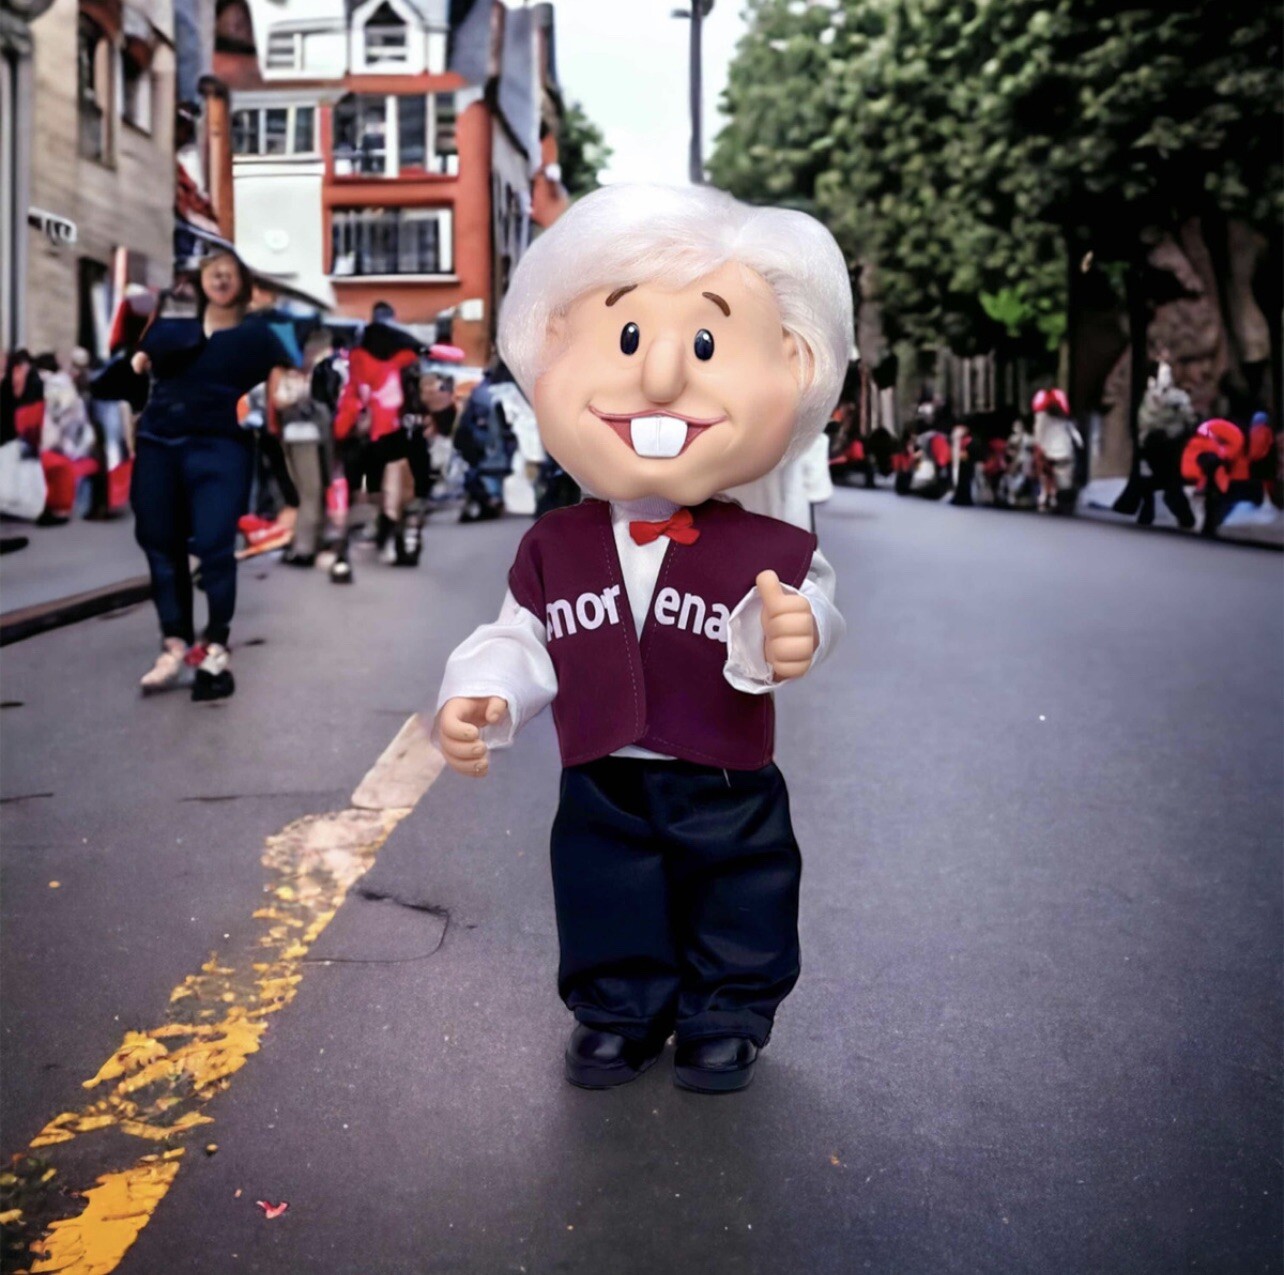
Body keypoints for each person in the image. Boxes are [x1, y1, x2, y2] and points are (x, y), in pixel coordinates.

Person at [433, 183, 851, 1095]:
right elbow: (523, 631)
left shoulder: (773, 547)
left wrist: (794, 628)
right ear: (551, 354)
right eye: (625, 340)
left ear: (791, 363)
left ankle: (727, 1012)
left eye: (707, 343)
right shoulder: (556, 544)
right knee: (604, 886)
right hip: (604, 771)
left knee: (740, 888)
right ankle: (619, 1009)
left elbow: (812, 604)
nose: (662, 378)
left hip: (725, 774)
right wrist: (486, 690)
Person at [129, 250, 300, 699]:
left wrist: (288, 395)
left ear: (242, 282)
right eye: (212, 271)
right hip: (159, 444)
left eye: (230, 272)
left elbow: (285, 388)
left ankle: (216, 645)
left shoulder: (262, 333)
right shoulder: (173, 326)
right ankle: (173, 644)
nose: (221, 278)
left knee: (213, 545)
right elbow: (136, 370)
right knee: (161, 546)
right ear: (200, 279)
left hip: (220, 447)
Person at [329, 302, 428, 581]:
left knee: (357, 495)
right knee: (395, 493)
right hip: (397, 437)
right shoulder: (402, 362)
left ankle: (343, 554)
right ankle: (397, 541)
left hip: (364, 440)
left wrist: (339, 432)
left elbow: (350, 401)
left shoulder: (358, 363)